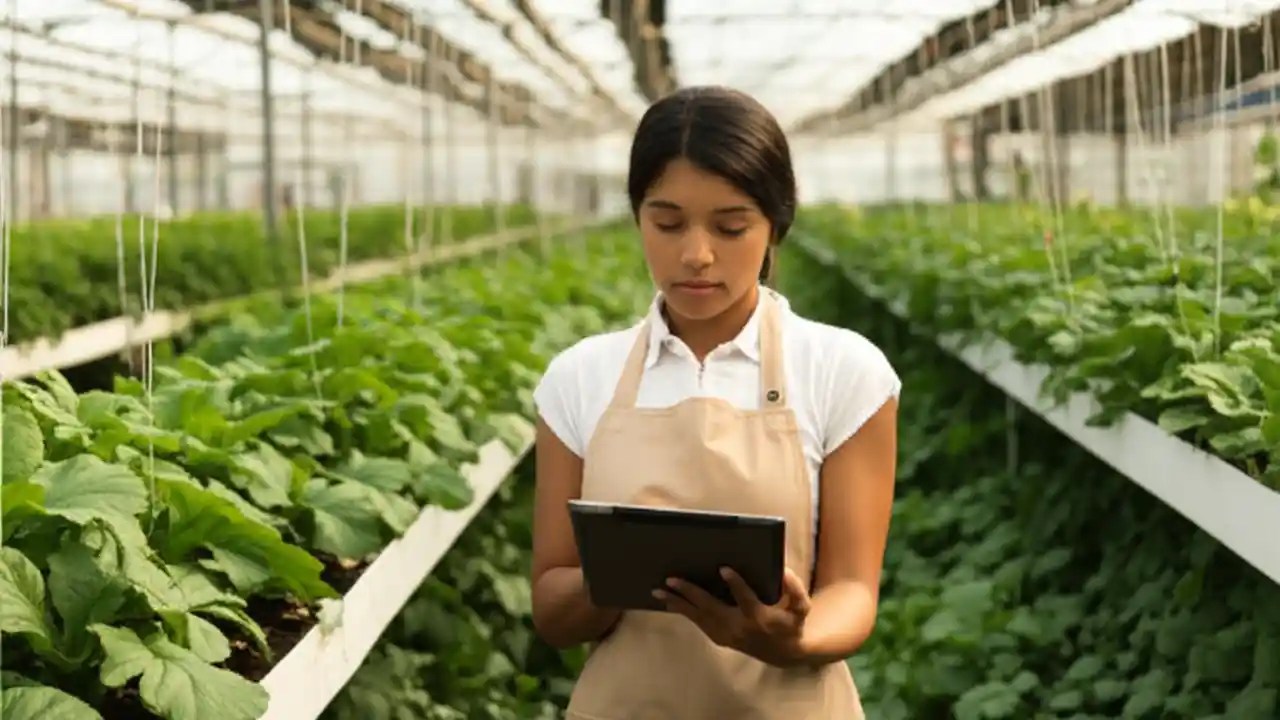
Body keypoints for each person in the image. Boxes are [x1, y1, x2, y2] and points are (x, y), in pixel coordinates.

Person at [530, 85, 901, 719]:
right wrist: (620, 573)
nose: (696, 255)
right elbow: (552, 606)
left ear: (775, 224)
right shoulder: (579, 378)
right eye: (667, 222)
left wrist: (793, 638)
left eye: (731, 227)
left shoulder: (844, 371)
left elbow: (851, 591)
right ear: (637, 216)